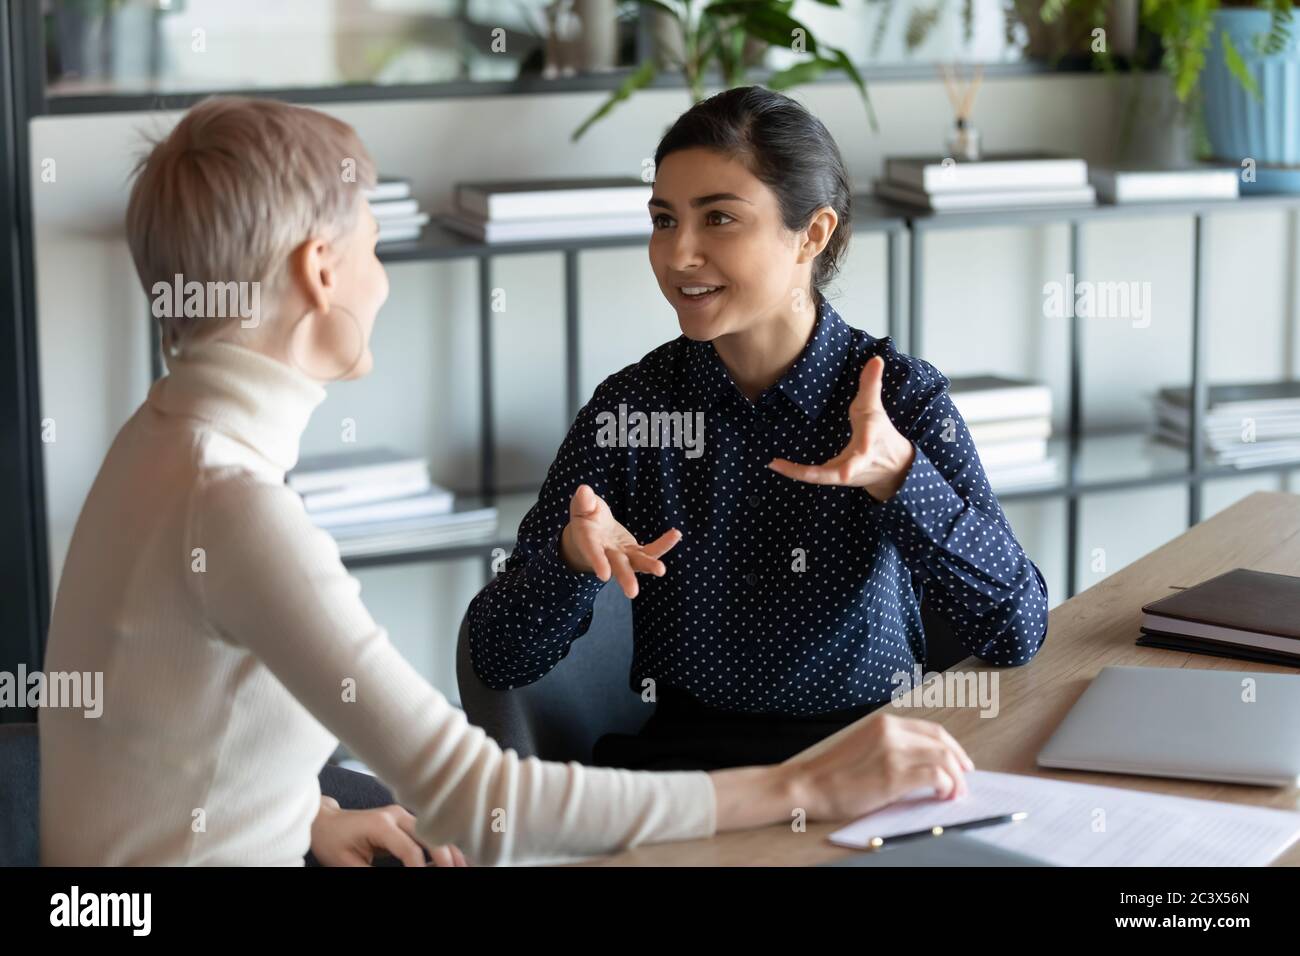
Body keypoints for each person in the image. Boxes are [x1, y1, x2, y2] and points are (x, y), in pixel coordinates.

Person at [39, 95, 974, 867]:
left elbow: (173, 744)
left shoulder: (157, 442)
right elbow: (479, 793)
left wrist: (307, 820)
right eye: (372, 243)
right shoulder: (238, 507)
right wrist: (807, 785)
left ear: (812, 235)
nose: (384, 279)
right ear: (321, 273)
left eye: (718, 217)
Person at [468, 86, 1049, 772]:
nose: (678, 253)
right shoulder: (631, 411)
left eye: (718, 218)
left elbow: (1018, 629)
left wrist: (902, 477)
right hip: (689, 780)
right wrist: (569, 561)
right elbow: (495, 658)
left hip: (874, 759)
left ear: (812, 234)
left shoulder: (903, 400)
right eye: (663, 219)